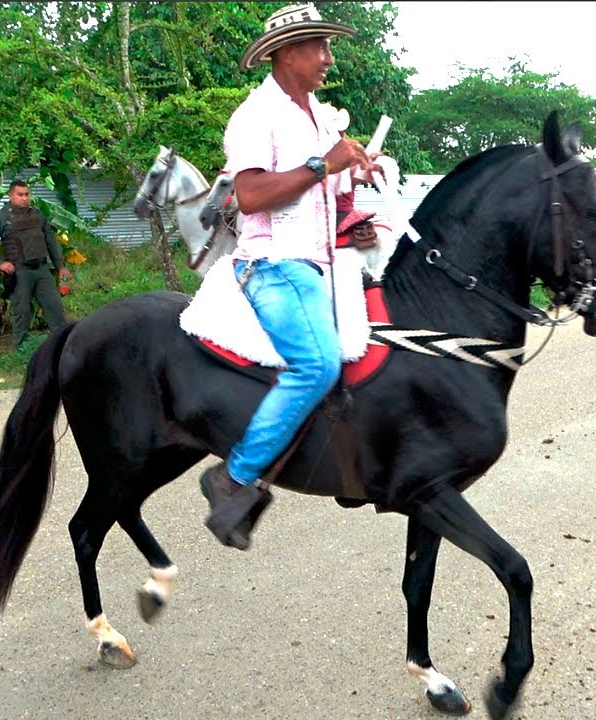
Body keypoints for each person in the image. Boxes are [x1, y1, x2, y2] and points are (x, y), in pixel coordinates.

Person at [198, 3, 372, 551]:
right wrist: (324, 164)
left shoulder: (319, 113)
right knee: (318, 363)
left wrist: (356, 181)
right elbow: (249, 195)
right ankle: (234, 477)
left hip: (321, 261)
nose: (328, 57)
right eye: (318, 47)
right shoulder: (255, 116)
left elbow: (325, 190)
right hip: (272, 266)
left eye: (327, 46)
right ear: (286, 53)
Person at [0, 180, 71, 348]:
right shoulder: (1, 218)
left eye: (27, 194)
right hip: (20, 272)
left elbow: (51, 242)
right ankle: (22, 349)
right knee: (22, 312)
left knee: (55, 308)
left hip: (42, 270)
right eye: (20, 195)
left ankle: (62, 345)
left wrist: (61, 267)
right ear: (10, 195)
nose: (24, 198)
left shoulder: (37, 215)